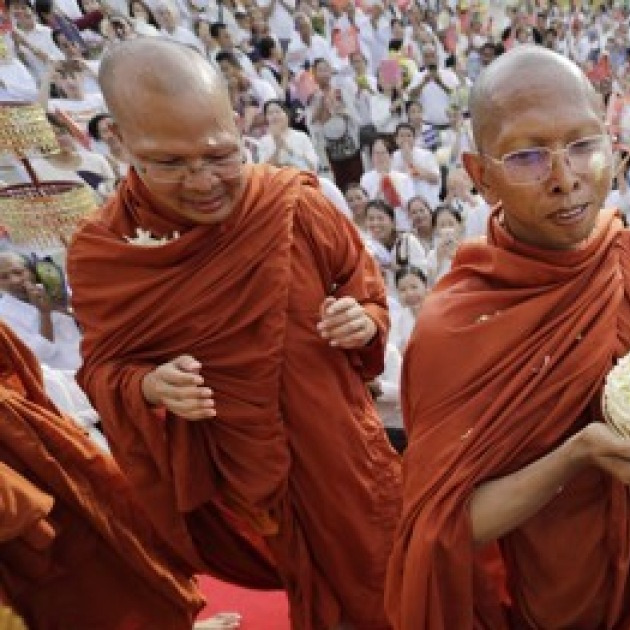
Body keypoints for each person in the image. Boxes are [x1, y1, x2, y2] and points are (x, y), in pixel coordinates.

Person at [385, 45, 630, 629]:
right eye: (527, 155)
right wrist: (576, 456)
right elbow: (448, 526)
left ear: (612, 149)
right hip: (532, 593)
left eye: (583, 145)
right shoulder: (457, 327)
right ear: (479, 175)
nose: (566, 180)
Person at [66, 39, 402, 628]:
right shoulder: (105, 254)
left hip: (344, 455)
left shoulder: (291, 204)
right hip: (244, 480)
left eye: (219, 155)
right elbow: (100, 372)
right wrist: (149, 387)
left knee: (389, 585)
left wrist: (363, 319)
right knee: (312, 591)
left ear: (236, 127)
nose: (202, 182)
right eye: (169, 163)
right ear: (119, 144)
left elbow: (363, 287)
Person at [0, 321, 206, 628]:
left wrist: (140, 386)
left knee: (111, 564)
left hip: (50, 465)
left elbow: (41, 384)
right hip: (21, 499)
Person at [0, 252, 82, 371]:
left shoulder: (53, 288)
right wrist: (45, 314)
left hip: (93, 358)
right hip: (64, 376)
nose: (15, 280)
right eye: (3, 277)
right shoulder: (4, 314)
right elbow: (38, 354)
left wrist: (58, 307)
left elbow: (92, 319)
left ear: (31, 271)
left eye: (18, 272)